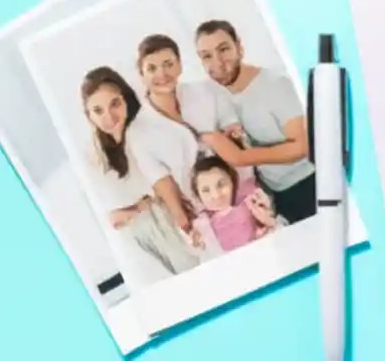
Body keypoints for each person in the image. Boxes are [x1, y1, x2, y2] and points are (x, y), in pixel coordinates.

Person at [192, 19, 317, 223]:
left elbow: (303, 145)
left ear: (239, 47)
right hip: (272, 195)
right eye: (207, 56)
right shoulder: (214, 96)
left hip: (309, 185)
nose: (217, 62)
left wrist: (242, 156)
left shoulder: (276, 85)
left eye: (223, 49)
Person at [80, 66, 200, 276]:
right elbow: (113, 217)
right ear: (88, 115)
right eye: (97, 111)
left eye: (114, 104)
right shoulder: (94, 154)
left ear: (126, 99)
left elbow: (167, 181)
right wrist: (138, 207)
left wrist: (139, 209)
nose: (108, 117)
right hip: (138, 235)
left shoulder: (142, 132)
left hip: (169, 220)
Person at [127, 34, 210, 245]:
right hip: (202, 212)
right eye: (152, 68)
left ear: (180, 65)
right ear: (141, 74)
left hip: (240, 190)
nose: (162, 74)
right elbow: (160, 179)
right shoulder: (139, 131)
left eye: (168, 64)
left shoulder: (201, 92)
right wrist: (182, 219)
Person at [190, 156, 278, 252]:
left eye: (221, 184)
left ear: (232, 182)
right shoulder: (202, 226)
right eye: (206, 190)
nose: (216, 195)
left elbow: (275, 234)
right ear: (198, 195)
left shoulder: (252, 204)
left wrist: (268, 222)